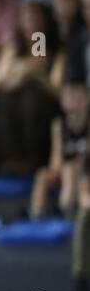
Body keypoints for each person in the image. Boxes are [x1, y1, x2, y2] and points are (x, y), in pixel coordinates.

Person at [0, 0, 63, 175]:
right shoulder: (13, 46)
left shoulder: (42, 41)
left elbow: (36, 65)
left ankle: (33, 160)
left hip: (44, 102)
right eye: (27, 17)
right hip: (14, 101)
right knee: (4, 99)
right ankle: (13, 158)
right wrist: (15, 75)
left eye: (36, 17)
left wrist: (17, 74)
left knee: (31, 97)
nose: (31, 22)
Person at [30, 79, 88, 221]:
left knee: (70, 171)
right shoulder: (59, 125)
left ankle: (68, 216)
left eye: (76, 97)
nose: (72, 102)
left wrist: (75, 167)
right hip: (65, 169)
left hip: (84, 172)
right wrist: (57, 169)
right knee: (42, 175)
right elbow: (56, 158)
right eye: (68, 97)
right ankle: (36, 218)